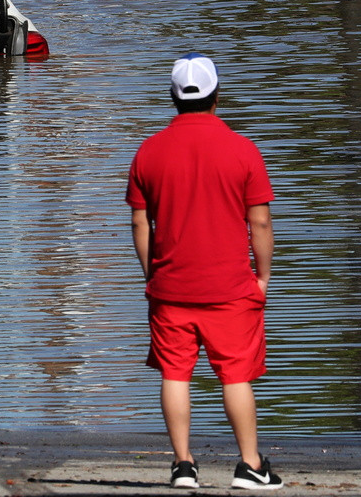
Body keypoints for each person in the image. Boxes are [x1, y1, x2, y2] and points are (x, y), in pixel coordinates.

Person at [125, 53, 282, 490]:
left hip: (170, 287)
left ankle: (183, 466)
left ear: (172, 98)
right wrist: (263, 277)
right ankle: (250, 465)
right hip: (230, 287)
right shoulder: (243, 149)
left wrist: (151, 274)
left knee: (175, 373)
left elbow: (140, 223)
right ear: (217, 96)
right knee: (235, 375)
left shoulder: (149, 151)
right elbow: (260, 223)